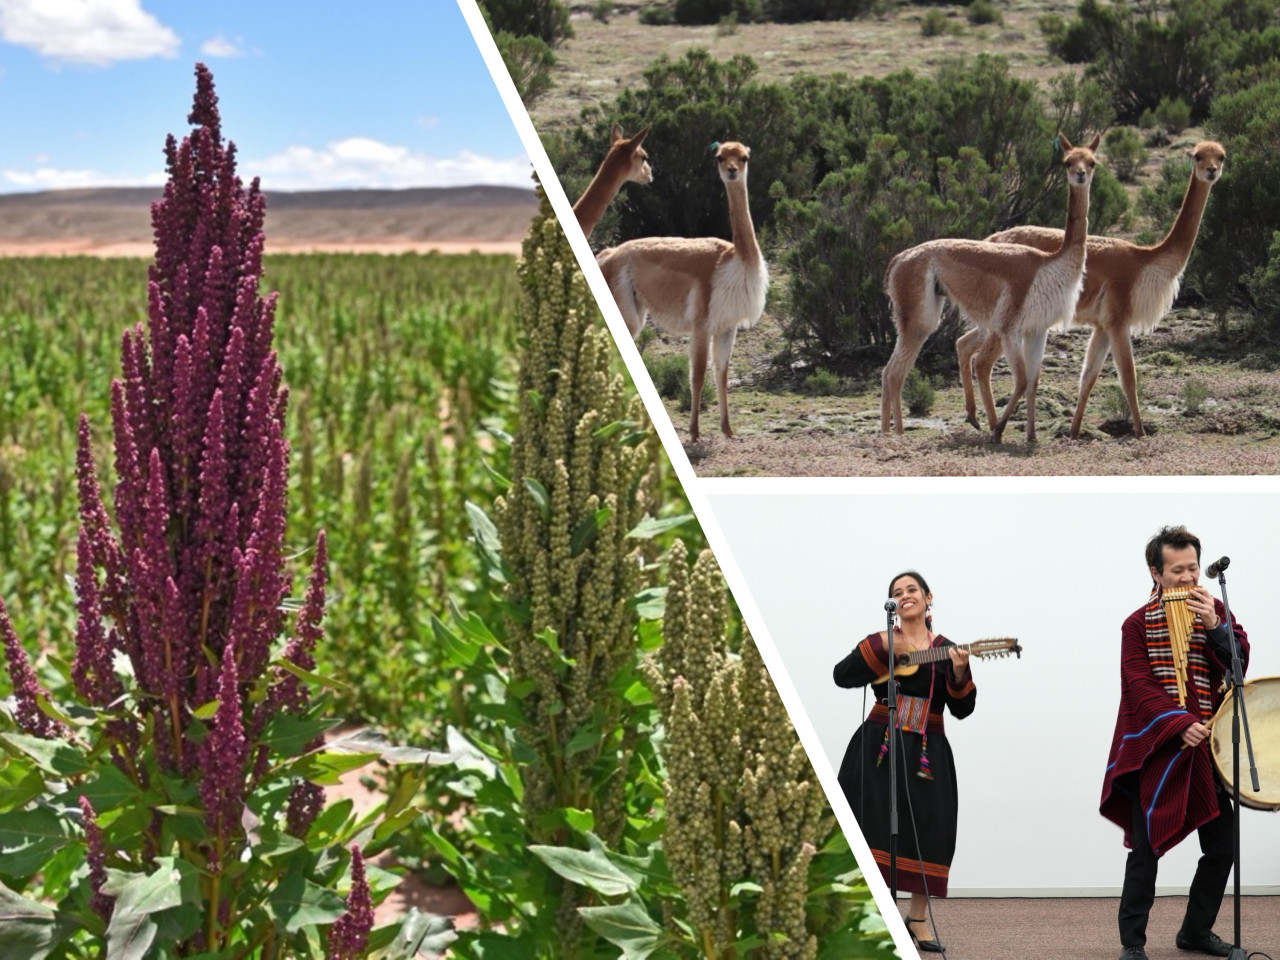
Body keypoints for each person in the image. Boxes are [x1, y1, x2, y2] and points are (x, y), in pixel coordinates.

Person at [1100, 526, 1250, 960]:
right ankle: (1132, 943)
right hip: (1159, 750)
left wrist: (1217, 627)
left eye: (1193, 569)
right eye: (1177, 570)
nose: (1188, 579)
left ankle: (1196, 932)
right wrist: (1179, 723)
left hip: (1210, 749)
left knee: (1223, 847)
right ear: (1156, 573)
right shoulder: (1136, 624)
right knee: (1145, 852)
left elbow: (1239, 667)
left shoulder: (1216, 610)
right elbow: (1139, 684)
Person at [834, 571, 974, 954]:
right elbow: (841, 676)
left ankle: (916, 919)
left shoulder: (948, 649)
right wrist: (881, 649)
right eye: (897, 592)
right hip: (879, 745)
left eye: (912, 589)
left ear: (929, 598)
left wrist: (959, 673)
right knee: (873, 825)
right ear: (892, 605)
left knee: (930, 827)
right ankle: (875, 915)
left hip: (928, 749)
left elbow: (963, 708)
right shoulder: (882, 643)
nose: (905, 595)